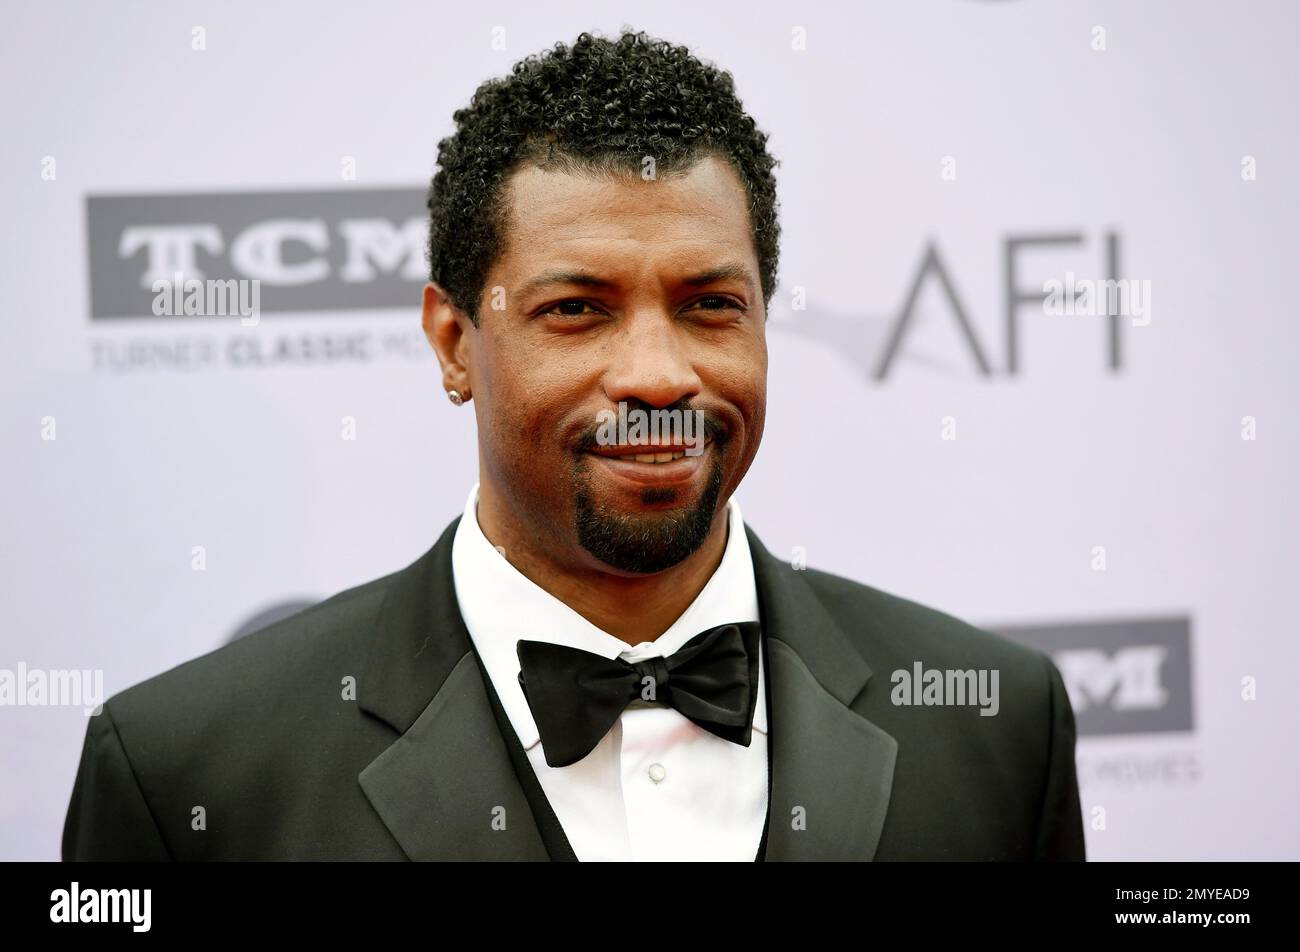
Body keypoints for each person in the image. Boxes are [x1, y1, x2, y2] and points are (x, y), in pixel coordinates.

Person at [62, 28, 1084, 861]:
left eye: (709, 304)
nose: (656, 373)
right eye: (577, 309)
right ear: (454, 342)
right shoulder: (188, 773)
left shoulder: (994, 722)